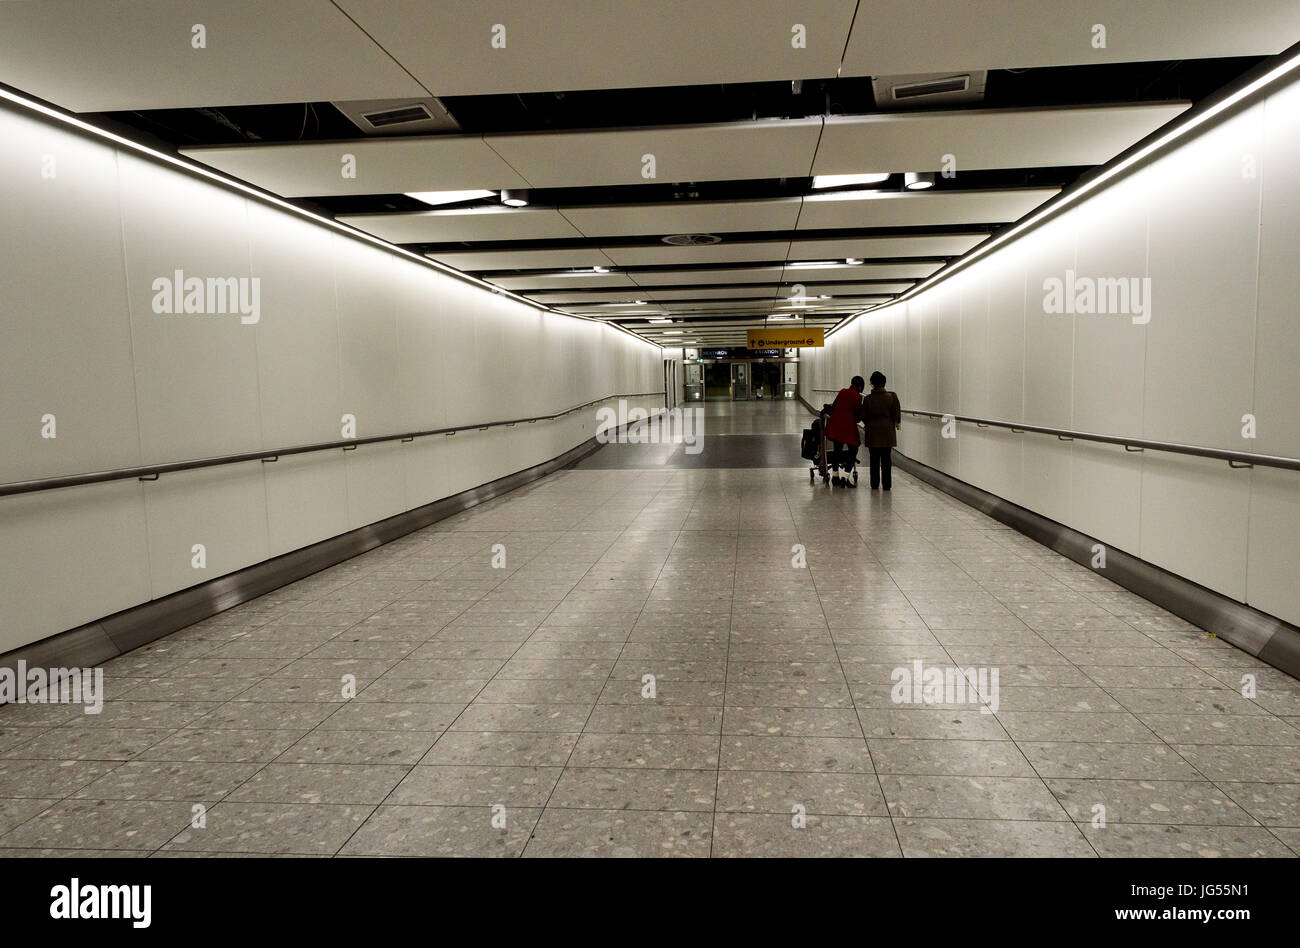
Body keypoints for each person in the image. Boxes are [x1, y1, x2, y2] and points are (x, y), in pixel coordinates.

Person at [863, 371, 901, 490]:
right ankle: (887, 485)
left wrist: (870, 424)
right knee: (886, 459)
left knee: (874, 459)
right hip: (887, 433)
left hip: (872, 433)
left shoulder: (868, 399)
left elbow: (863, 416)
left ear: (872, 383)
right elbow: (896, 414)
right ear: (884, 383)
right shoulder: (892, 396)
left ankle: (874, 484)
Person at [824, 375, 865, 487]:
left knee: (837, 451)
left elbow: (833, 407)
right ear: (860, 386)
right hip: (848, 428)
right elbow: (857, 415)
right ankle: (845, 478)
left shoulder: (842, 391)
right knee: (853, 450)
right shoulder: (857, 396)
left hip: (836, 426)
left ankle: (835, 477)